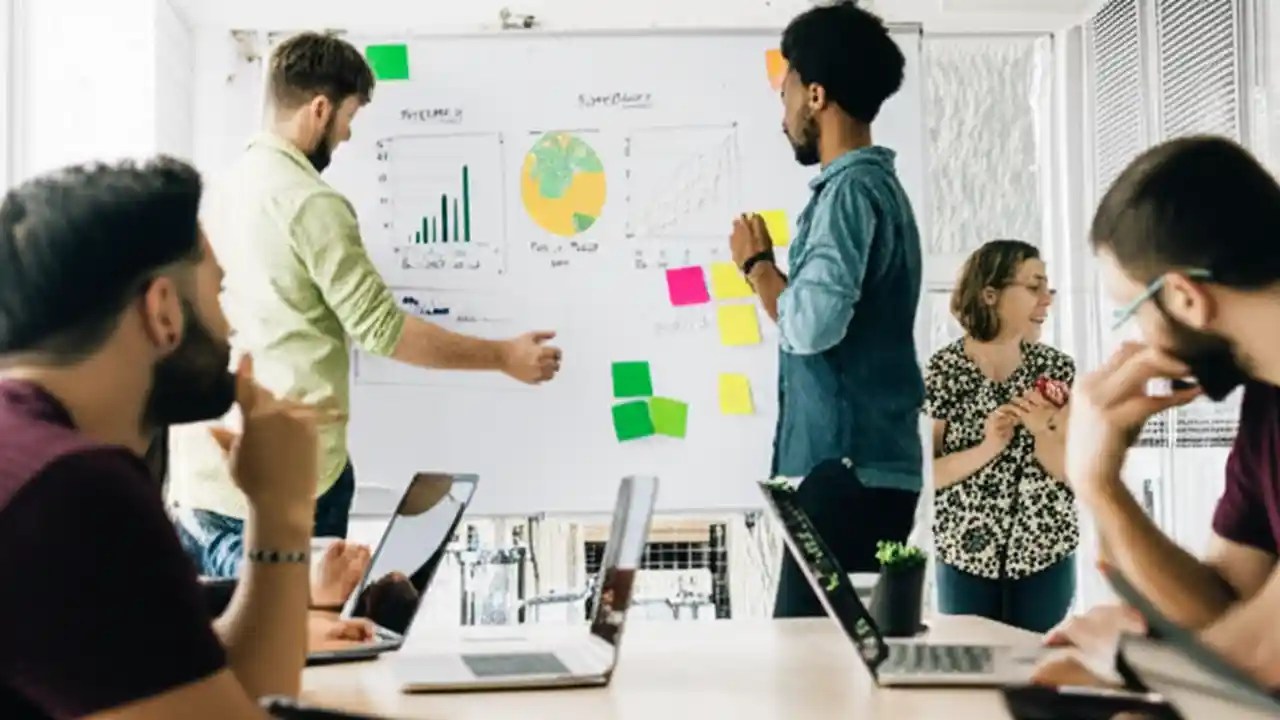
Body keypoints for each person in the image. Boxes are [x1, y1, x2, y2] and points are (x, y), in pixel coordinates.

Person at [169, 31, 563, 578]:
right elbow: (383, 331)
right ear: (320, 108)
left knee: (235, 647)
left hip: (202, 480)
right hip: (287, 482)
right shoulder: (310, 203)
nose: (349, 134)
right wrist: (503, 356)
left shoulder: (217, 191)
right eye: (350, 116)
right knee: (302, 645)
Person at [0, 157, 339, 717]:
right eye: (218, 293)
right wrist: (283, 509)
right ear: (162, 311)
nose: (231, 329)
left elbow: (220, 694)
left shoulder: (31, 457)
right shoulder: (70, 489)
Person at [1033, 135, 1280, 689]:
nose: (1135, 345)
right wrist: (1099, 484)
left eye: (1131, 313)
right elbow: (1228, 609)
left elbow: (1261, 656)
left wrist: (1128, 661)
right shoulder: (1268, 399)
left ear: (1184, 297)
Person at [728, 2, 926, 617]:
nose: (782, 112)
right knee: (844, 667)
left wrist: (758, 268)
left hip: (846, 477)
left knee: (807, 665)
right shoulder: (878, 191)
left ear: (815, 95)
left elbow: (810, 327)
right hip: (868, 474)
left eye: (785, 90)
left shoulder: (847, 193)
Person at [925, 240, 1076, 633]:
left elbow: (1071, 475)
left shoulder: (1056, 369)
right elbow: (926, 475)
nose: (1047, 299)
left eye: (1048, 288)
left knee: (1039, 677)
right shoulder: (944, 369)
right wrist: (988, 448)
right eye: (1034, 286)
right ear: (990, 294)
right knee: (970, 675)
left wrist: (1045, 432)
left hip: (1047, 554)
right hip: (964, 556)